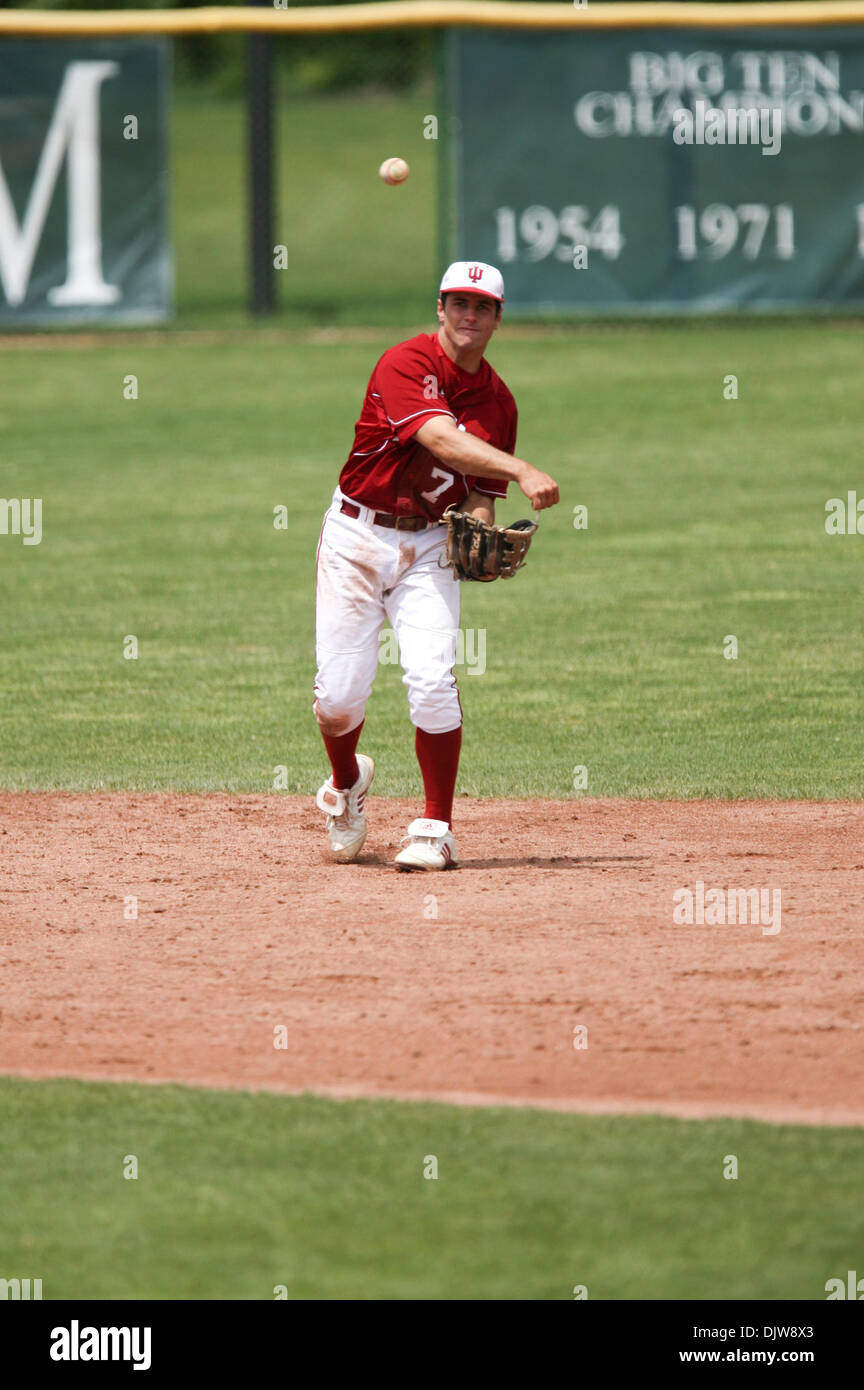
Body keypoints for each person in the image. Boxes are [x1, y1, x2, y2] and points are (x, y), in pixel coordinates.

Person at [312, 260, 559, 870]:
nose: (467, 316)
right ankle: (347, 784)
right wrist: (522, 468)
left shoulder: (499, 404)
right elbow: (442, 440)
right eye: (457, 303)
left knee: (430, 679)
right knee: (339, 698)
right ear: (439, 309)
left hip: (427, 548)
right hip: (355, 537)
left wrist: (477, 528)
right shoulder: (405, 362)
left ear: (499, 317)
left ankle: (436, 826)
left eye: (481, 306)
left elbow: (475, 490)